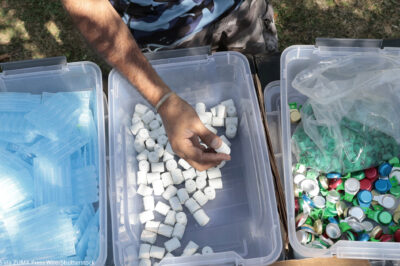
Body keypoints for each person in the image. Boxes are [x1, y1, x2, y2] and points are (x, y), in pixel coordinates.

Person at [62, 0, 276, 170]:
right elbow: (87, 5)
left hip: (243, 10)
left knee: (257, 88)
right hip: (163, 35)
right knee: (193, 95)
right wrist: (164, 100)